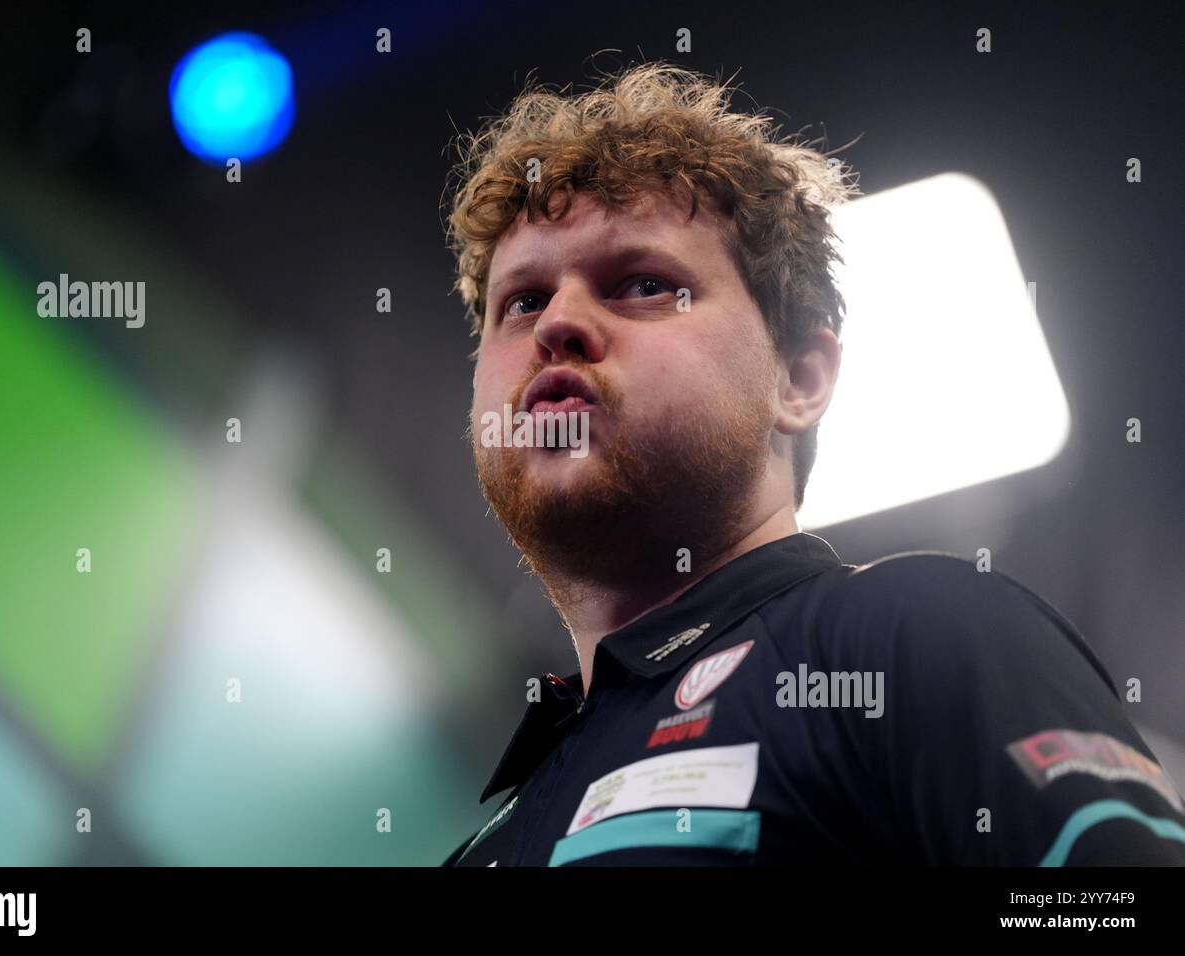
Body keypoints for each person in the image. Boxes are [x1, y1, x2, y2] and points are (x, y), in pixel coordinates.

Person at [438, 62, 1185, 866]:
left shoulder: (909, 636)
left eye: (644, 283)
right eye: (522, 301)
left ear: (797, 380)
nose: (559, 324)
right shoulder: (488, 839)